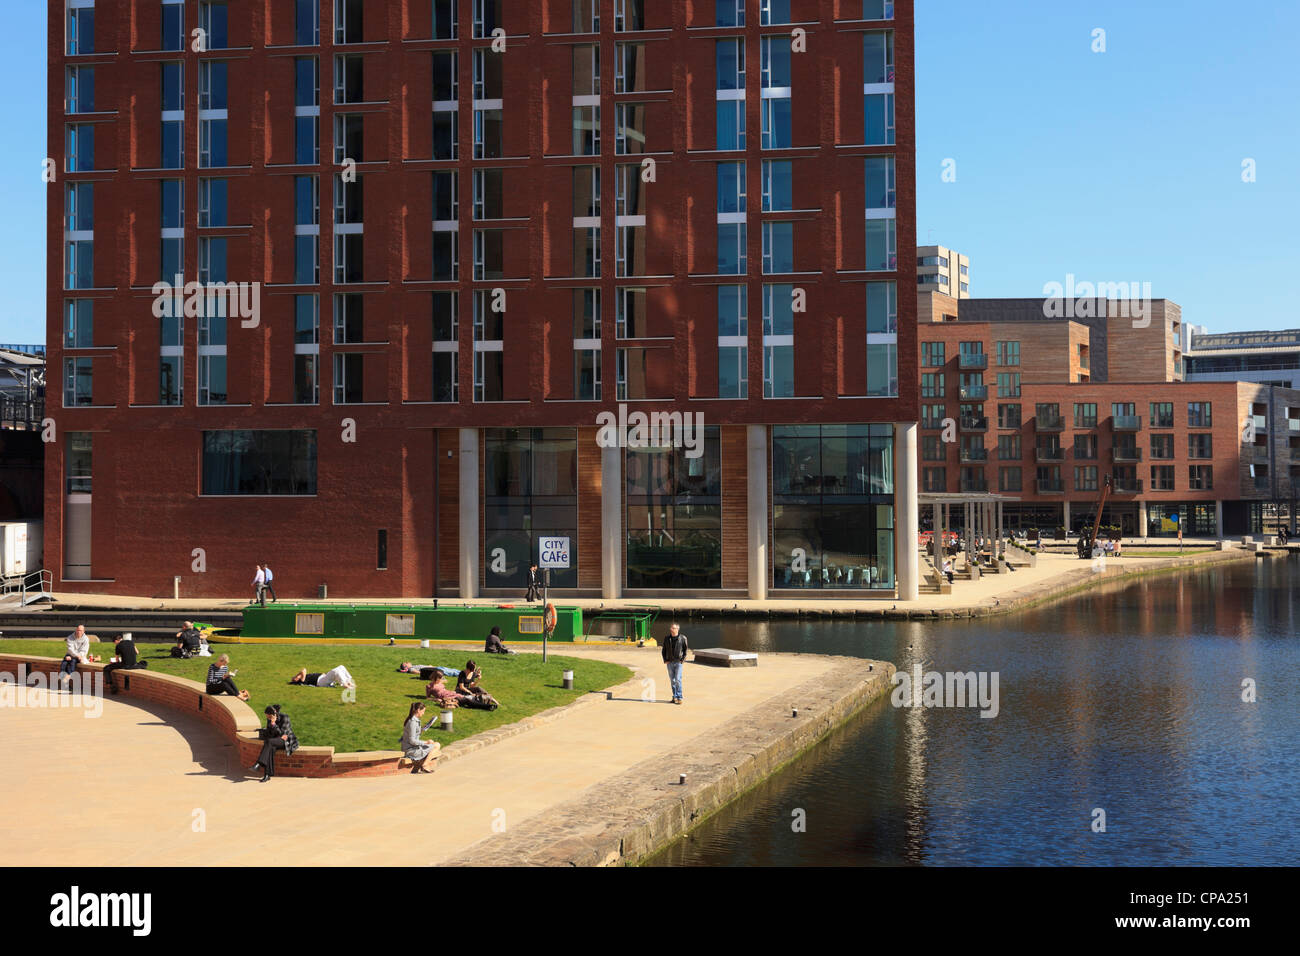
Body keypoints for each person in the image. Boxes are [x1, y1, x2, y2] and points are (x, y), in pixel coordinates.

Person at [249, 704, 299, 782]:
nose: (267, 718)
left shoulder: (285, 717)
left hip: (287, 741)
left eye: (268, 716)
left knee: (269, 742)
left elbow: (283, 735)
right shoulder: (269, 719)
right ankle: (267, 775)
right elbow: (270, 734)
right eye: (267, 717)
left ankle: (259, 764)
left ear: (273, 714)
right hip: (275, 740)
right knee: (270, 747)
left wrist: (274, 724)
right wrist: (271, 726)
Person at [400, 702, 437, 773]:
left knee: (436, 744)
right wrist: (426, 742)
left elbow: (414, 735)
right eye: (423, 711)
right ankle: (425, 765)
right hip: (410, 750)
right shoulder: (412, 722)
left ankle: (424, 764)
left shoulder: (413, 720)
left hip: (413, 748)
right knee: (436, 745)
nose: (423, 713)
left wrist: (422, 730)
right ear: (418, 710)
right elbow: (412, 740)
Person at [661, 622, 689, 705]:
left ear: (677, 629)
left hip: (678, 662)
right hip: (669, 662)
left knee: (677, 679)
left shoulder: (683, 638)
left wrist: (682, 660)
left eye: (673, 628)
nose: (671, 629)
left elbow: (685, 650)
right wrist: (665, 659)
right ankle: (674, 696)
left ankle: (679, 697)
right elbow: (663, 650)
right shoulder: (667, 638)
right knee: (672, 681)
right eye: (671, 628)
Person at [289, 665, 355, 688]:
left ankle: (348, 681)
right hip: (320, 682)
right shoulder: (302, 681)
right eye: (294, 678)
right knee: (336, 671)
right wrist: (296, 676)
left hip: (323, 678)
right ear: (296, 680)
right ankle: (344, 684)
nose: (294, 677)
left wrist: (296, 677)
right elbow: (304, 670)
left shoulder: (304, 677)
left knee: (341, 667)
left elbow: (303, 672)